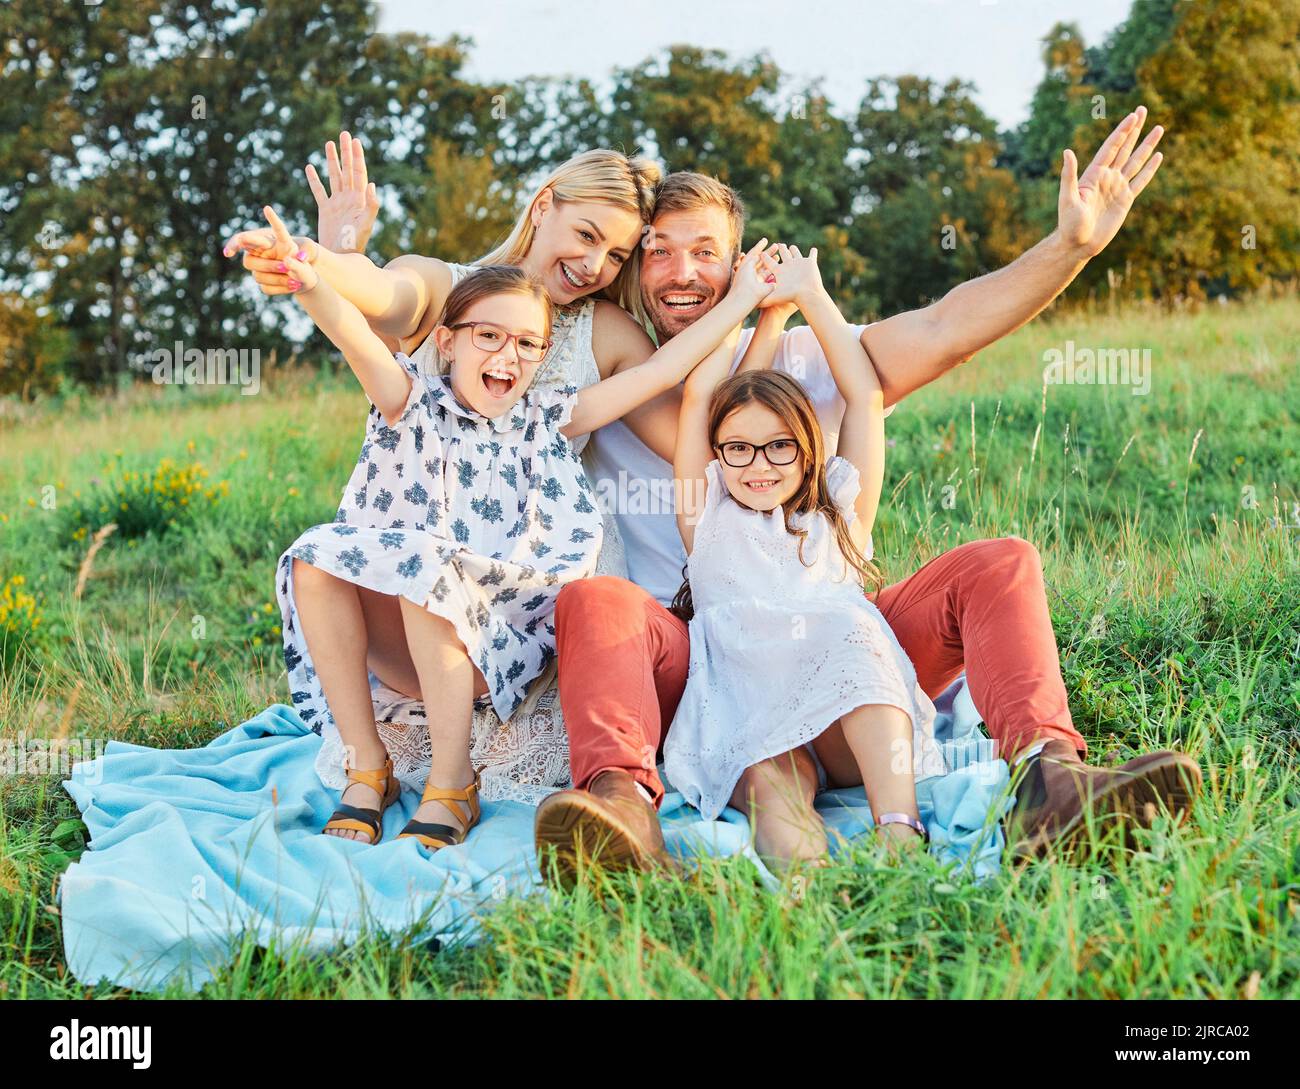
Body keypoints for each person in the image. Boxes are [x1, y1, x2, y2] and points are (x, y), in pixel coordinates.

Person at [536, 108, 1202, 881]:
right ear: (630, 264)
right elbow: (474, 320)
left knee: (1000, 562)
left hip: (843, 652)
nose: (682, 271)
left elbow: (949, 326)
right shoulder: (610, 367)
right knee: (596, 600)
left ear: (742, 263)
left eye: (705, 252)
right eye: (658, 250)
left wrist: (1070, 248)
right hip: (703, 666)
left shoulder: (805, 355)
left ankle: (1052, 783)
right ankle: (621, 814)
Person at [246, 200, 776, 849]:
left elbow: (664, 369)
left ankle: (452, 781)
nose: (506, 356)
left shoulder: (549, 416)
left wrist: (745, 298)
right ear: (449, 340)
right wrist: (307, 274)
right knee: (316, 558)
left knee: (428, 573)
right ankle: (368, 766)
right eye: (488, 336)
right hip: (413, 641)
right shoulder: (410, 400)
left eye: (527, 344)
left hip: (505, 645)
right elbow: (350, 330)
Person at [664, 243, 952, 869]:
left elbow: (864, 395)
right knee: (776, 797)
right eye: (737, 448)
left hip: (846, 717)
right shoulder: (706, 511)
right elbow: (702, 399)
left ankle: (899, 834)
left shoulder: (839, 511)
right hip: (753, 713)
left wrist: (810, 296)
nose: (758, 465)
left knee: (850, 626)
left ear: (808, 452)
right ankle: (809, 901)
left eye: (779, 448)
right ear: (718, 455)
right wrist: (763, 315)